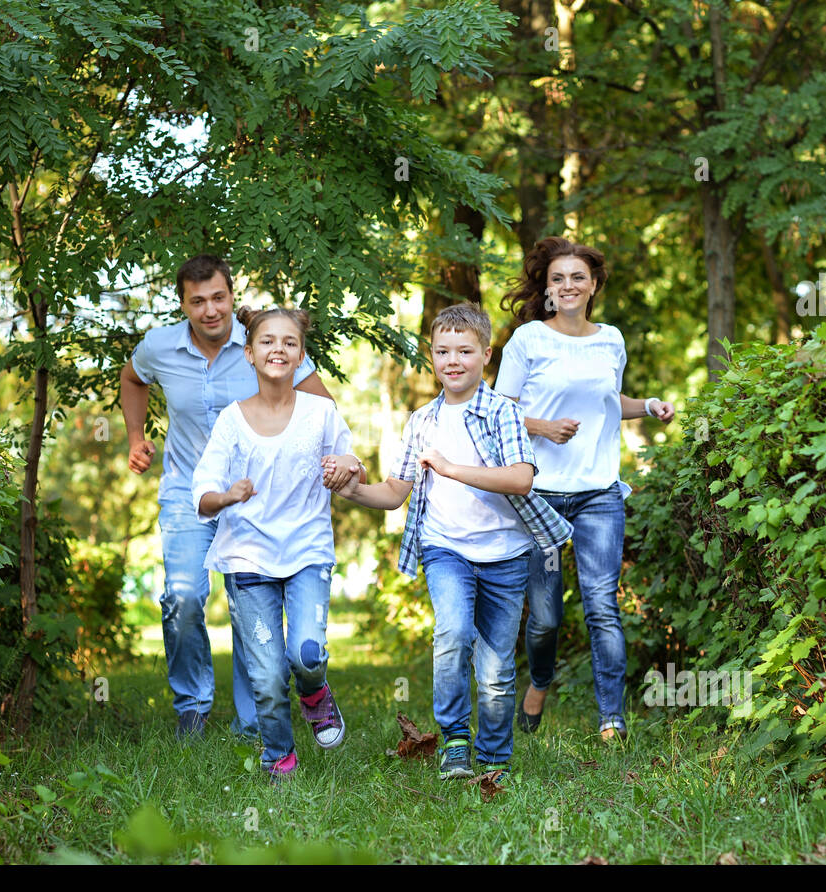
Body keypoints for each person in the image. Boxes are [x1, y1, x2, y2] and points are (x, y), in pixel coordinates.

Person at [328, 303, 571, 783]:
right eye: (443, 351)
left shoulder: (504, 412)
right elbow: (397, 491)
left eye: (464, 350)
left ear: (486, 353)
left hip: (505, 556)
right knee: (453, 634)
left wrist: (450, 469)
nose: (453, 360)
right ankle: (455, 741)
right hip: (446, 550)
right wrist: (353, 489)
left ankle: (496, 757)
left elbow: (522, 479)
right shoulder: (421, 421)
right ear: (432, 356)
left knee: (498, 667)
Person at [120, 255, 333, 741]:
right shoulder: (159, 347)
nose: (210, 310)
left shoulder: (264, 341)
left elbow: (324, 408)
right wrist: (136, 437)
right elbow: (132, 379)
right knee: (183, 596)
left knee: (249, 605)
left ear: (231, 296)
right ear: (183, 304)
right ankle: (192, 704)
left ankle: (253, 720)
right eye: (197, 301)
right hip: (188, 492)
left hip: (256, 500)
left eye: (218, 297)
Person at [495, 236, 674, 742]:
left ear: (593, 284)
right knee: (546, 617)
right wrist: (543, 427)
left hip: (599, 493)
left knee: (602, 605)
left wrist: (651, 404)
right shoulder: (528, 340)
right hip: (542, 494)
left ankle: (611, 719)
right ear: (547, 288)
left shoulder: (611, 339)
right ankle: (541, 682)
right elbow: (499, 412)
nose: (568, 285)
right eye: (558, 278)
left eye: (577, 277)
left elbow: (608, 400)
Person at [192, 307, 360, 781]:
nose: (278, 349)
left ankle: (314, 693)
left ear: (301, 355)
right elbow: (202, 495)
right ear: (249, 353)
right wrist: (228, 495)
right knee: (265, 678)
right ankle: (279, 757)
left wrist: (347, 466)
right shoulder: (231, 420)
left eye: (289, 342)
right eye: (267, 341)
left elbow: (353, 460)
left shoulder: (321, 412)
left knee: (306, 656)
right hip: (247, 557)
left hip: (306, 552)